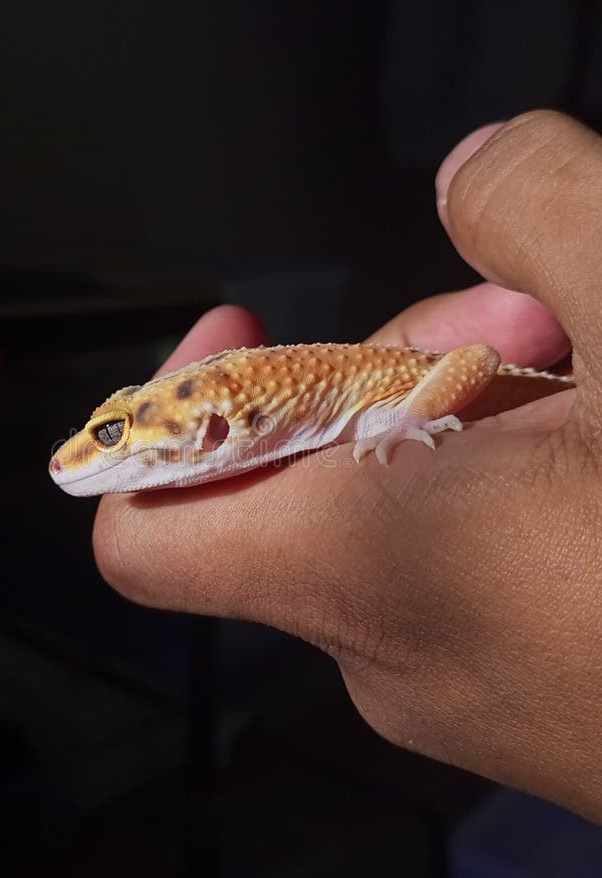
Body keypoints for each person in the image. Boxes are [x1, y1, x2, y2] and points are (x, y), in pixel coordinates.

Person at [93, 110, 602, 822]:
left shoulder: (372, 399)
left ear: (209, 429)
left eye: (112, 433)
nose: (75, 458)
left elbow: (476, 361)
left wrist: (414, 418)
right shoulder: (347, 409)